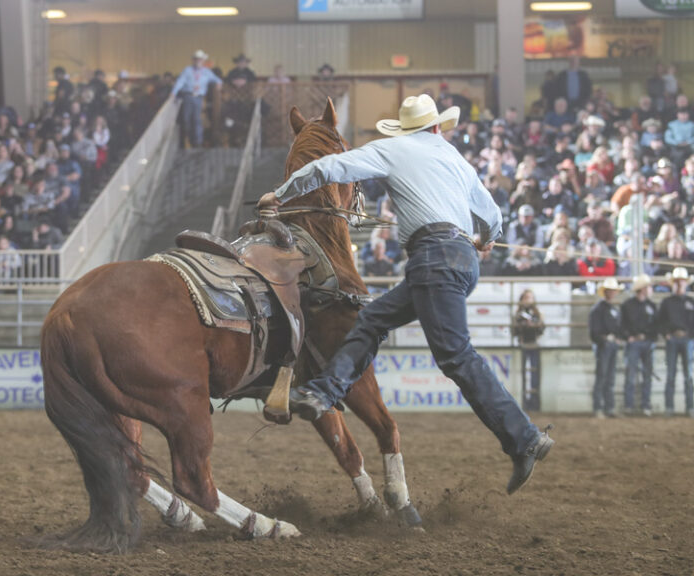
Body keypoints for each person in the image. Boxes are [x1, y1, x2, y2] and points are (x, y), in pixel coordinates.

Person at [258, 94, 553, 495]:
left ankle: (525, 439)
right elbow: (493, 215)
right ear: (436, 127)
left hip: (433, 259)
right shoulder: (453, 157)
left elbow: (331, 166)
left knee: (456, 356)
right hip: (460, 259)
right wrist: (487, 239)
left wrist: (282, 193)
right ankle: (323, 391)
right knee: (372, 320)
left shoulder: (392, 149)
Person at [657, 267, 694, 417]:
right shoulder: (666, 302)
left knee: (688, 375)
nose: (679, 285)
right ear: (673, 284)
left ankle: (690, 407)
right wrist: (666, 333)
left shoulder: (691, 302)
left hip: (687, 339)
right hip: (672, 339)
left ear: (686, 283)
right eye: (677, 282)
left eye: (682, 282)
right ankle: (669, 407)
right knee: (671, 374)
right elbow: (659, 321)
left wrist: (691, 336)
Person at [620, 274, 657, 417]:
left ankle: (645, 405)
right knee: (631, 375)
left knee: (646, 375)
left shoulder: (651, 306)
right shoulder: (627, 305)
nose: (650, 289)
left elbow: (656, 325)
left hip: (647, 342)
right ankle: (629, 405)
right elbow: (622, 325)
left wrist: (650, 337)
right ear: (642, 289)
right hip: (634, 343)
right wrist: (628, 337)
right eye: (648, 287)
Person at [172, 49, 223, 148]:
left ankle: (197, 143)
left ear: (203, 61)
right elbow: (180, 81)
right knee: (186, 119)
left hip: (199, 98)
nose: (198, 61)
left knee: (197, 120)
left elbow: (217, 79)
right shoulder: (187, 70)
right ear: (193, 60)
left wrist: (219, 83)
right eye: (196, 59)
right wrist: (173, 92)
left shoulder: (206, 72)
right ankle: (186, 141)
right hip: (188, 96)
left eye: (200, 59)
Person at [589, 277, 623, 418]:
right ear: (605, 292)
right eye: (609, 290)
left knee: (609, 377)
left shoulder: (611, 309)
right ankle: (599, 407)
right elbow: (594, 332)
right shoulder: (599, 309)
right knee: (603, 376)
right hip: (603, 345)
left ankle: (608, 407)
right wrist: (605, 338)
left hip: (611, 344)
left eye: (613, 290)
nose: (611, 293)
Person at [513, 290, 545, 411]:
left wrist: (535, 324)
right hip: (523, 345)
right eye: (526, 297)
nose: (528, 300)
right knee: (523, 375)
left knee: (535, 375)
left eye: (530, 297)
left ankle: (534, 402)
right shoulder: (518, 314)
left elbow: (542, 328)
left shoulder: (537, 313)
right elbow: (515, 330)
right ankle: (523, 402)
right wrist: (524, 325)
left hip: (534, 344)